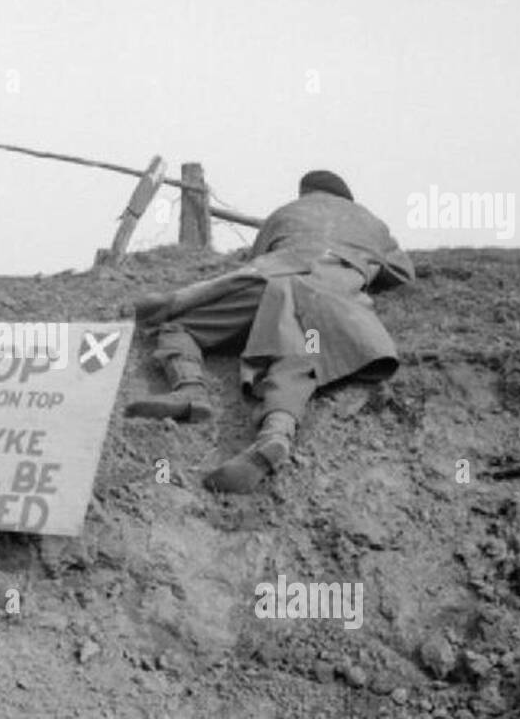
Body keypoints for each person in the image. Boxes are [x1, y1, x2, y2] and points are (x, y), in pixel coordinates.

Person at [125, 170, 415, 493]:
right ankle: (275, 435)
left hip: (266, 282)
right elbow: (402, 271)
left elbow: (257, 256)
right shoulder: (372, 223)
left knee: (180, 326)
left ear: (306, 194)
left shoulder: (284, 214)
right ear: (347, 198)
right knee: (295, 356)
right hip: (325, 293)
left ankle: (189, 388)